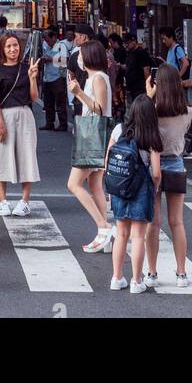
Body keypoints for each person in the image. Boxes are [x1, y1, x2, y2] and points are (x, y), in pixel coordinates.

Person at [105, 95, 162, 294]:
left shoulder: (119, 130)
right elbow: (155, 172)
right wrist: (154, 189)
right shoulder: (151, 136)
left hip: (119, 187)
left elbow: (108, 161)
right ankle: (136, 281)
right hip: (141, 190)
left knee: (121, 234)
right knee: (138, 237)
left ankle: (116, 277)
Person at [143, 65, 192, 288]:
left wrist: (148, 95)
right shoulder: (188, 111)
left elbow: (136, 120)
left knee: (153, 223)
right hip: (176, 163)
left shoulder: (151, 110)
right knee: (177, 222)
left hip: (153, 165)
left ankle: (152, 272)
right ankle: (181, 273)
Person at [67, 39, 114, 252]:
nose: (78, 57)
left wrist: (78, 93)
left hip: (93, 133)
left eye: (80, 54)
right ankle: (104, 235)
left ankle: (103, 227)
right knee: (95, 183)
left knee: (74, 183)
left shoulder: (98, 78)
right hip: (93, 132)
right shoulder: (94, 78)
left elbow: (100, 109)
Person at [0, 31, 40, 216]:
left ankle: (25, 201)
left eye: (15, 45)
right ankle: (3, 201)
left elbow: (33, 97)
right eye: (9, 46)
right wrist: (0, 123)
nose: (13, 49)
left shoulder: (27, 67)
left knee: (27, 156)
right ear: (2, 49)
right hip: (4, 116)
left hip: (25, 115)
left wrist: (33, 77)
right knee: (3, 157)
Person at [40, 26, 70, 131]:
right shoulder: (45, 45)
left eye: (48, 40)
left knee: (60, 103)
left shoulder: (61, 46)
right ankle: (49, 122)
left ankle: (63, 124)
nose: (47, 43)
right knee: (48, 102)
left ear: (54, 37)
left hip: (57, 78)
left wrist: (51, 59)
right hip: (47, 77)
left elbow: (65, 61)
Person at [122, 34, 153, 103]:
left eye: (128, 43)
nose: (126, 45)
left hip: (140, 88)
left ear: (134, 41)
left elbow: (146, 69)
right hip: (131, 87)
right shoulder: (129, 53)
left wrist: (148, 85)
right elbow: (128, 66)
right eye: (125, 43)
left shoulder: (141, 52)